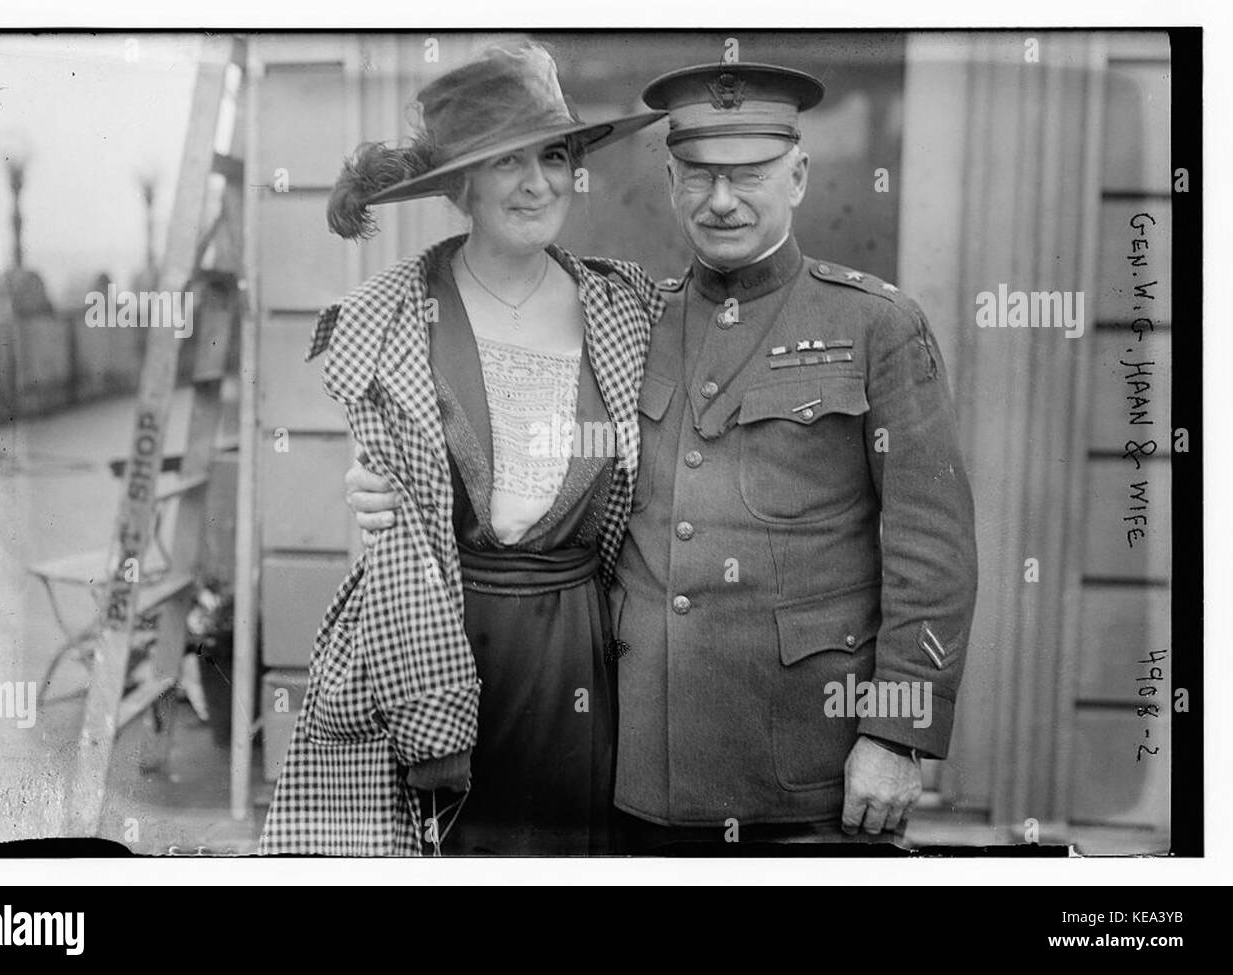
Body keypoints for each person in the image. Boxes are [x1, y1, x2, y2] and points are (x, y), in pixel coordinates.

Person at [346, 60, 979, 853]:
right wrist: (391, 480)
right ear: (672, 178)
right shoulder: (636, 317)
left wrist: (898, 734)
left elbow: (934, 548)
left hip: (804, 761)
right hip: (635, 759)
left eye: (749, 174)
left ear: (800, 176)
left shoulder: (877, 326)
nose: (722, 200)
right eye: (700, 175)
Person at [258, 41, 665, 856]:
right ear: (461, 184)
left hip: (577, 654)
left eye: (553, 155)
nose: (537, 182)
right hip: (437, 637)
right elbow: (399, 512)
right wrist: (380, 489)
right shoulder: (391, 314)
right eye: (504, 160)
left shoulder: (630, 308)